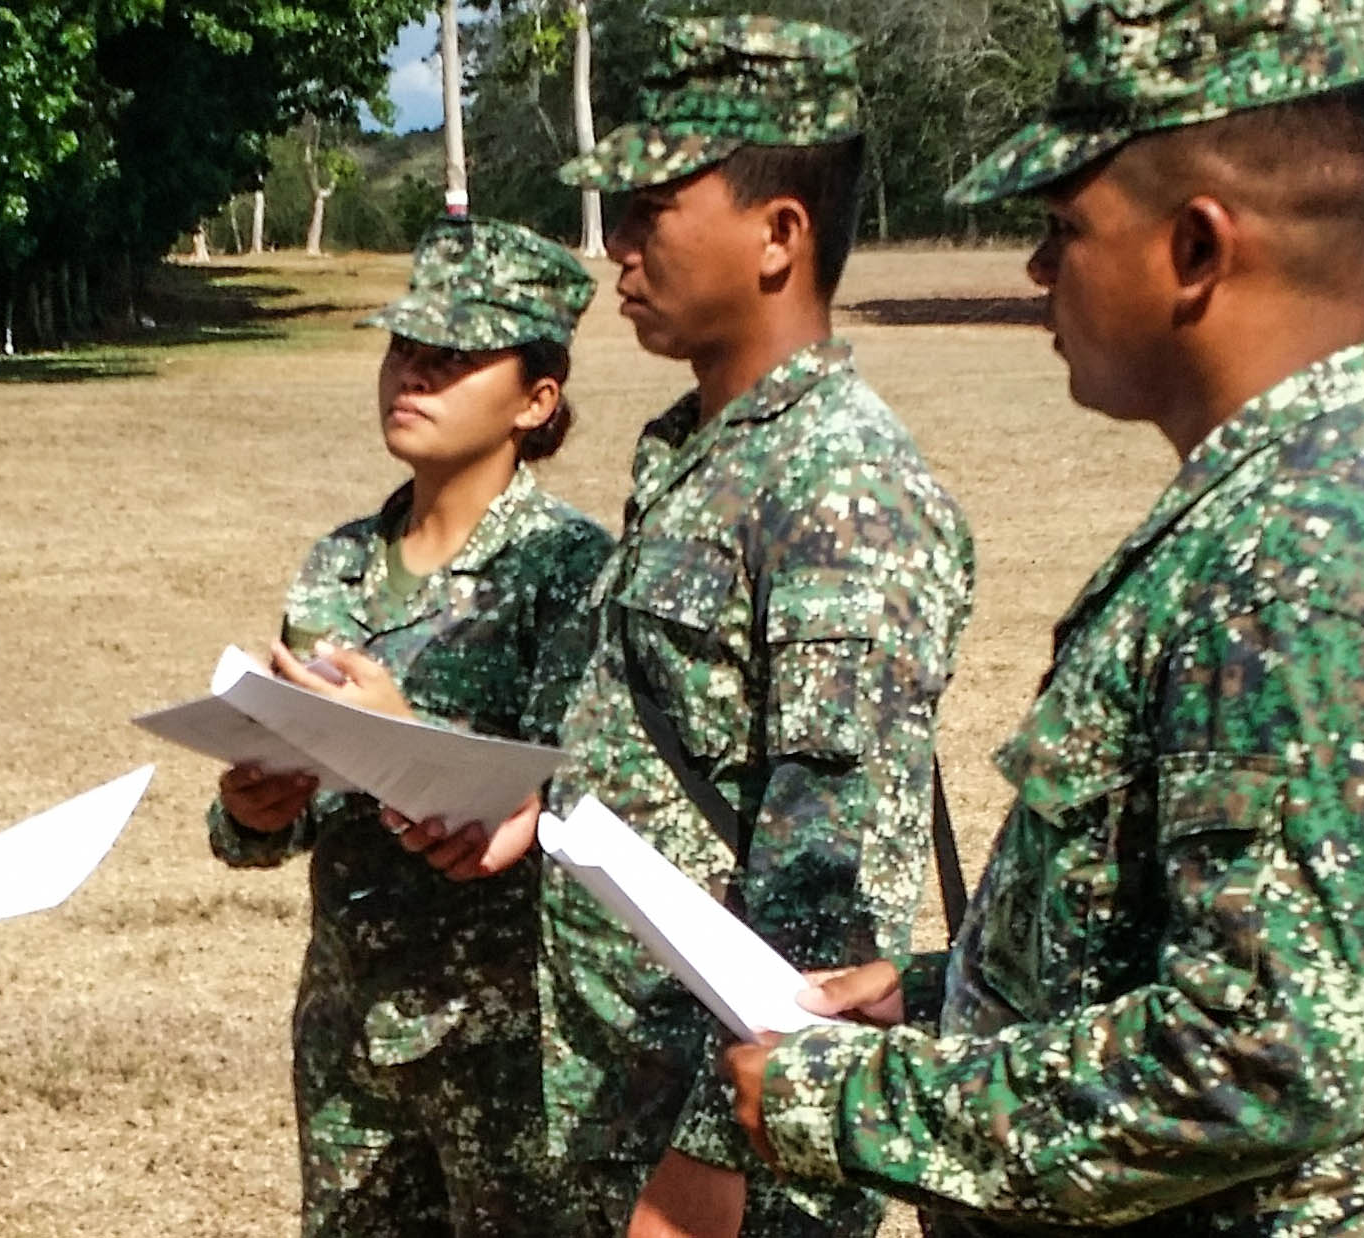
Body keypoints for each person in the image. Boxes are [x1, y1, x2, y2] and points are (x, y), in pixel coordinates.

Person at [720, 2, 1364, 1235]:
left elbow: (1251, 1058)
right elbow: (1178, 942)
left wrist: (847, 1102)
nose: (1037, 272)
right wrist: (940, 995)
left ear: (1195, 246)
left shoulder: (1302, 565)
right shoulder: (1279, 510)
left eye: (1061, 227)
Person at [392, 17, 975, 1237]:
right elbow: (683, 741)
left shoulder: (836, 487)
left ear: (779, 235)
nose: (617, 242)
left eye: (654, 203)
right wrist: (538, 811)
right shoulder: (697, 452)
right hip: (615, 1093)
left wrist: (709, 1165)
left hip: (721, 1152)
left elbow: (835, 882)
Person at [208, 216, 612, 1237]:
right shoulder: (335, 563)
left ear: (536, 399)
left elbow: (581, 811)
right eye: (403, 350)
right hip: (351, 1033)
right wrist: (253, 808)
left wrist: (406, 728)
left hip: (506, 1043)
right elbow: (289, 817)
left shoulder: (567, 572)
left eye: (454, 359)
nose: (412, 377)